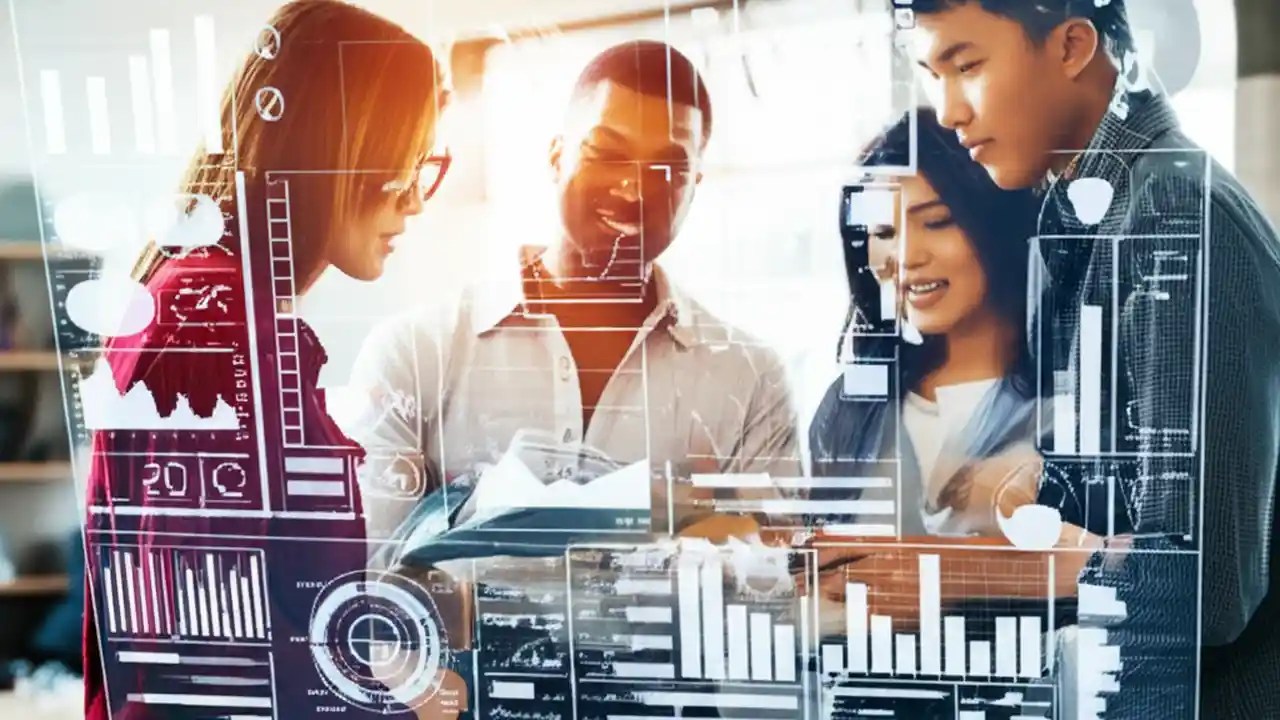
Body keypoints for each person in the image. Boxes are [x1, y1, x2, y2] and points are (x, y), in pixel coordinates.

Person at [82, 2, 453, 718]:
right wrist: (394, 706)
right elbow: (199, 652)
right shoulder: (220, 323)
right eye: (401, 166)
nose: (415, 201)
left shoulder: (197, 297)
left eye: (425, 167)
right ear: (330, 148)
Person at [910, 0, 1280, 716]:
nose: (949, 110)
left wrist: (1015, 549)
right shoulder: (1094, 212)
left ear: (1073, 44)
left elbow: (1200, 588)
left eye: (968, 65)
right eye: (933, 74)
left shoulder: (1172, 213)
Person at [348, 40, 801, 550]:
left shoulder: (752, 380)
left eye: (667, 169)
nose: (633, 190)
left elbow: (771, 583)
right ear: (556, 156)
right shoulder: (413, 354)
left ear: (695, 183)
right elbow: (373, 579)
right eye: (606, 153)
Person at [810, 107, 1044, 540]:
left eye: (936, 222)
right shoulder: (849, 409)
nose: (906, 256)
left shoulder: (1070, 410)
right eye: (881, 232)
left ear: (995, 221)